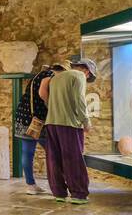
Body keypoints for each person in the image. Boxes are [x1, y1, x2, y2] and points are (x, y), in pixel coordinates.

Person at [41, 55, 97, 204]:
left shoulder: (55, 78)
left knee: (54, 159)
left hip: (51, 123)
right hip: (70, 124)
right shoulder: (78, 75)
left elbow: (48, 100)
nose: (87, 77)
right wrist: (86, 121)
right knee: (73, 159)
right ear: (86, 70)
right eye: (89, 75)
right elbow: (79, 100)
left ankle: (59, 193)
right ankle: (79, 194)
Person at [12, 64, 64, 195]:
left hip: (23, 117)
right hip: (36, 119)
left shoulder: (38, 75)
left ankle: (31, 185)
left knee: (27, 151)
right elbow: (42, 93)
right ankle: (57, 184)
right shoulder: (50, 76)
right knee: (53, 150)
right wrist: (51, 104)